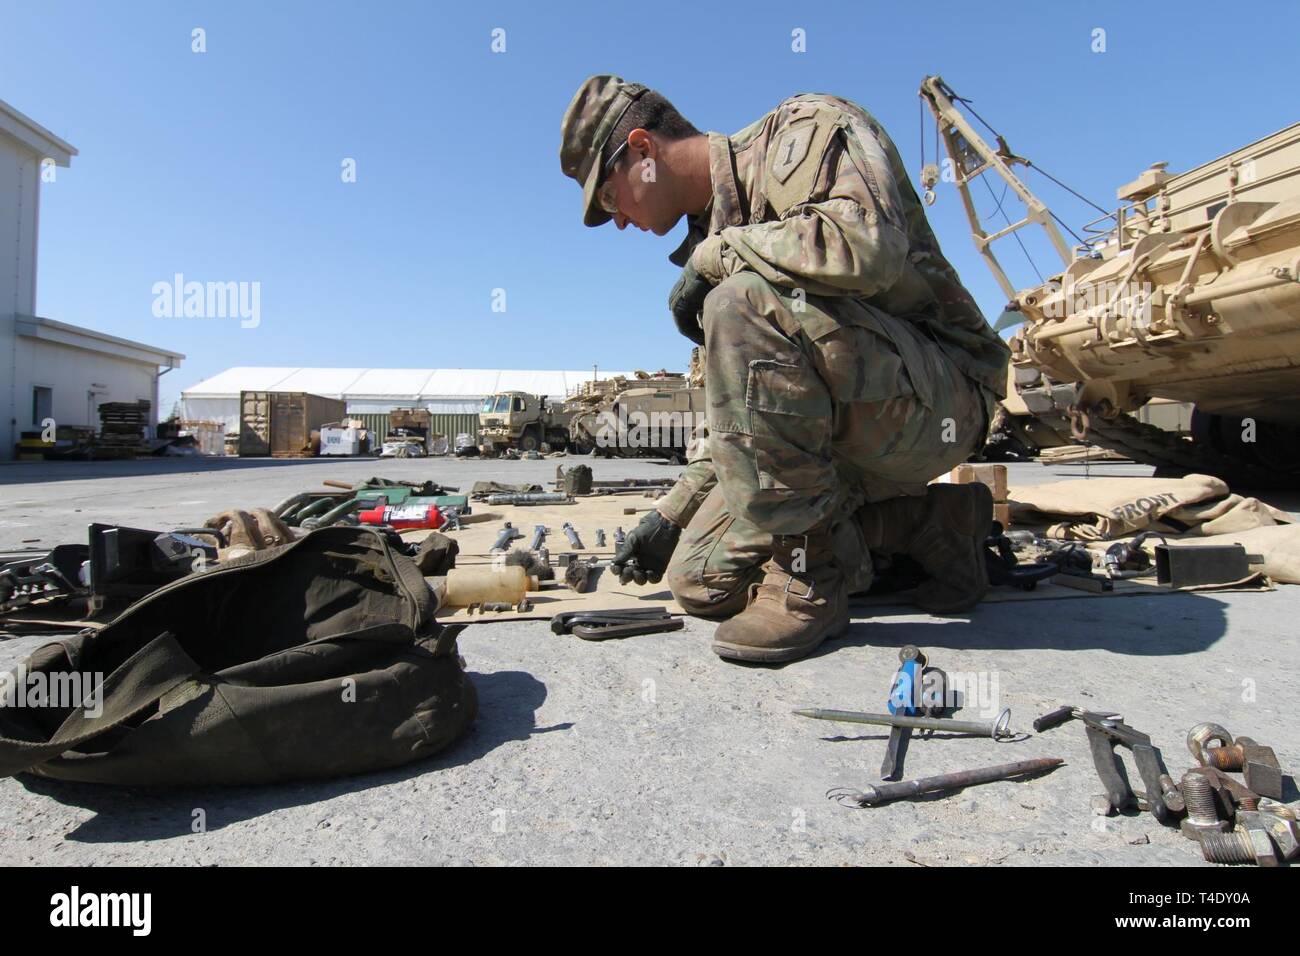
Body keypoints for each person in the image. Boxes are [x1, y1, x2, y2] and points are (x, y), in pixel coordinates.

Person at [559, 76, 1010, 664]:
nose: (617, 220)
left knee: (738, 302)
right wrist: (671, 513)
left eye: (609, 198)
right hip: (843, 431)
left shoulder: (802, 130)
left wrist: (715, 256)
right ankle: (927, 525)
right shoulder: (720, 229)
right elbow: (740, 414)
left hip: (940, 398)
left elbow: (866, 244)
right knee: (698, 580)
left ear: (643, 152)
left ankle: (810, 578)